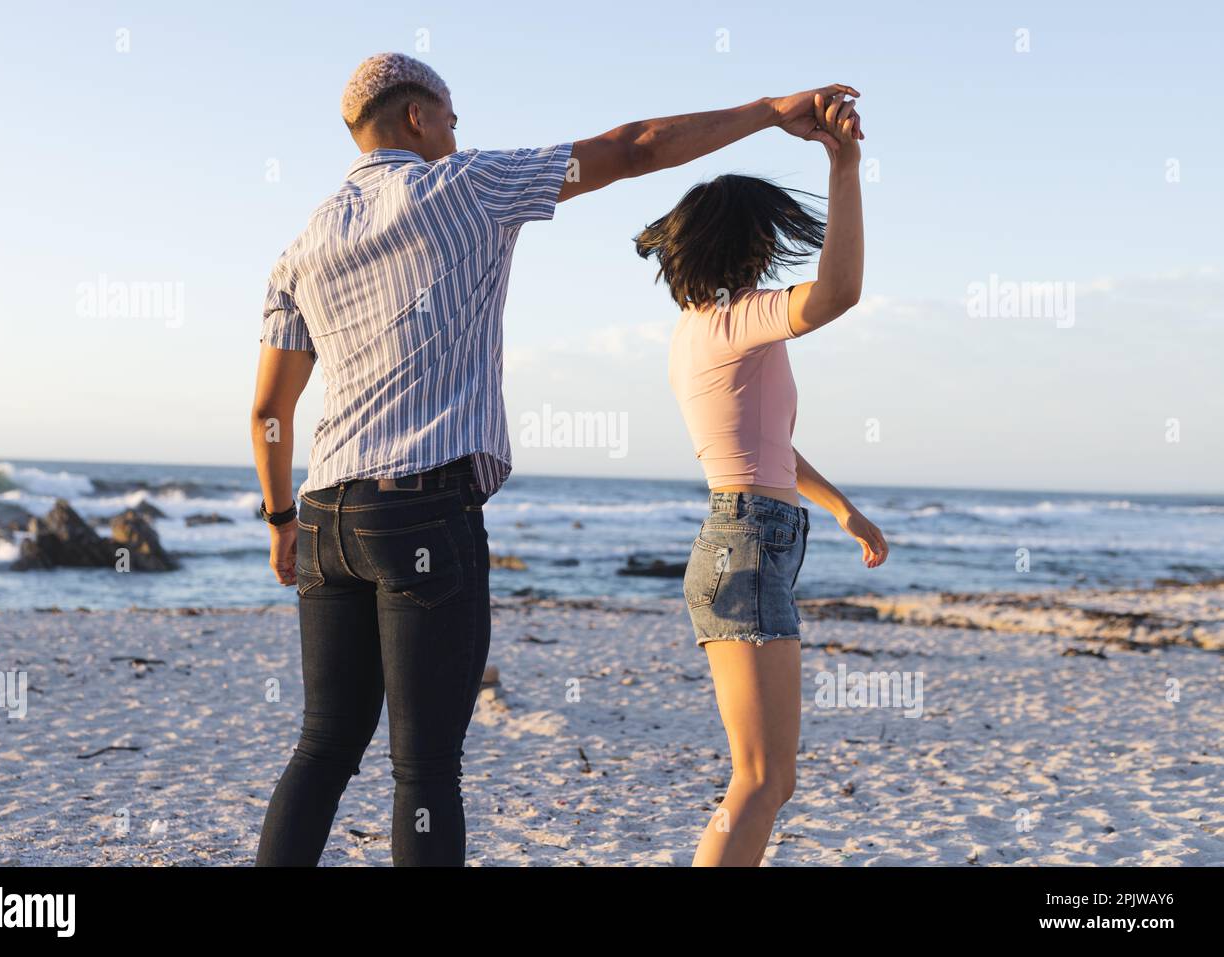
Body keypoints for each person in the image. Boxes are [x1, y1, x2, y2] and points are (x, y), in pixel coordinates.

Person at [250, 50, 867, 866]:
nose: (457, 131)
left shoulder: (302, 244)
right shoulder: (465, 185)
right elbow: (635, 146)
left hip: (326, 510)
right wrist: (766, 110)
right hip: (422, 508)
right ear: (416, 118)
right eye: (451, 119)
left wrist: (281, 520)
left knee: (323, 746)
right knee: (425, 768)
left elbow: (268, 410)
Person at [635, 91, 889, 866]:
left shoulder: (699, 332)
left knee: (768, 777)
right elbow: (839, 292)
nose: (773, 250)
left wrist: (841, 508)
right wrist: (845, 167)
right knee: (760, 776)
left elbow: (769, 444)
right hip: (746, 544)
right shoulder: (735, 319)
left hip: (749, 540)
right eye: (766, 237)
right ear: (740, 247)